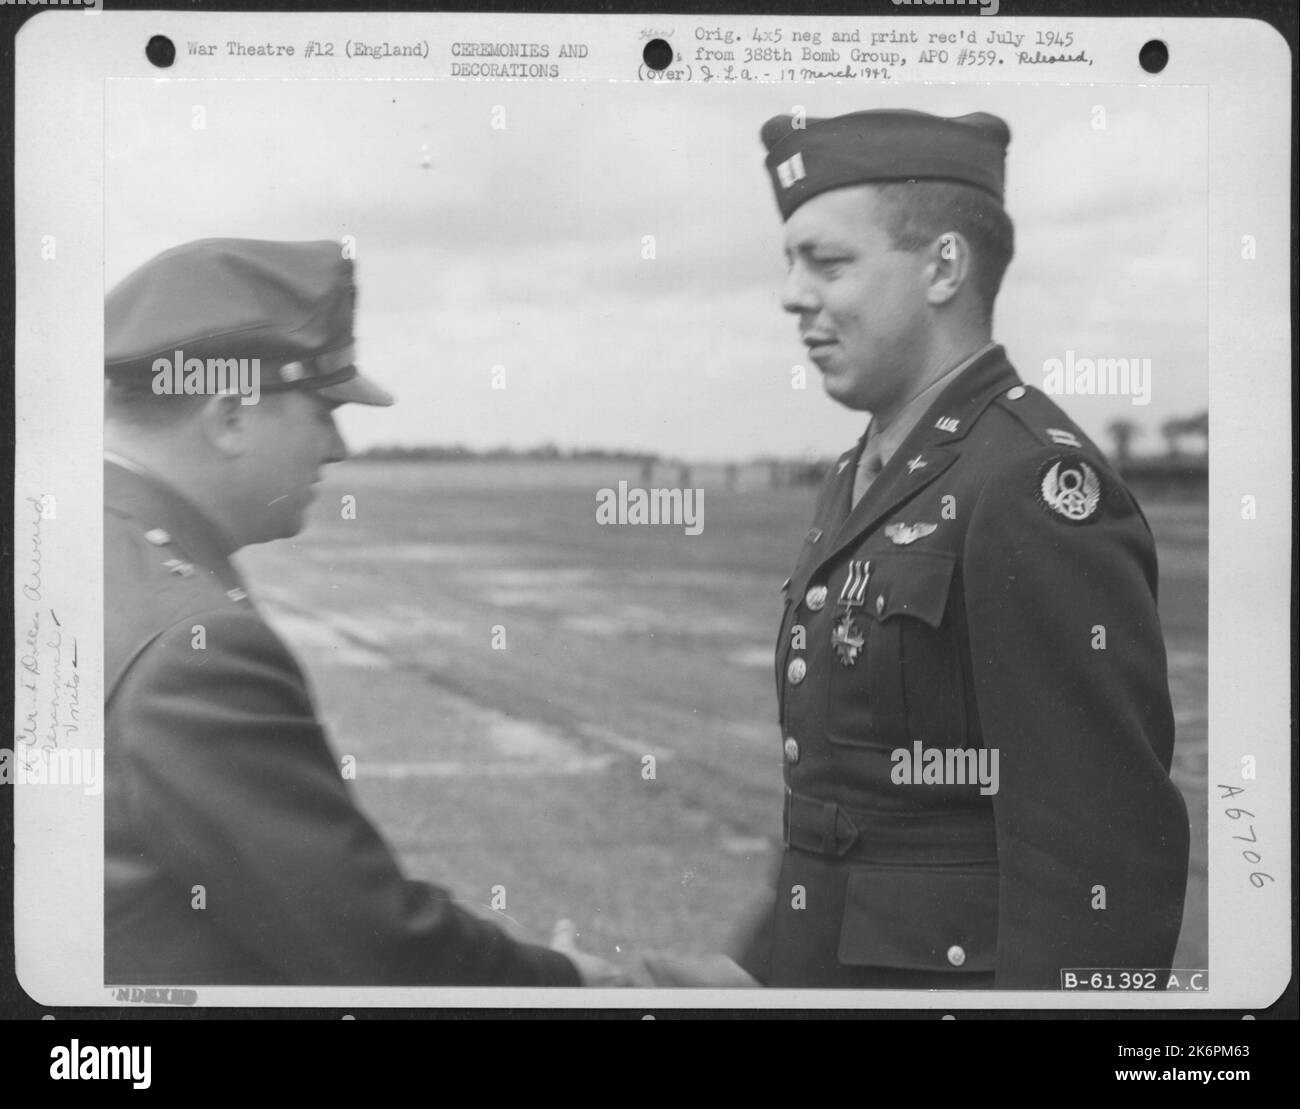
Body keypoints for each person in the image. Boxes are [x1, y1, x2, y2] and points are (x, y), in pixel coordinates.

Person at [711, 109, 1189, 989]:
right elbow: (844, 816)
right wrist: (755, 982)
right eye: (790, 263)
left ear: (942, 268)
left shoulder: (1027, 484)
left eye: (828, 262)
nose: (792, 295)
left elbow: (1100, 868)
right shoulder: (863, 472)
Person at [103, 238, 618, 986]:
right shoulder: (197, 648)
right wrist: (565, 978)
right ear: (231, 415)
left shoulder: (82, 547)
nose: (338, 448)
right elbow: (369, 947)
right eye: (325, 411)